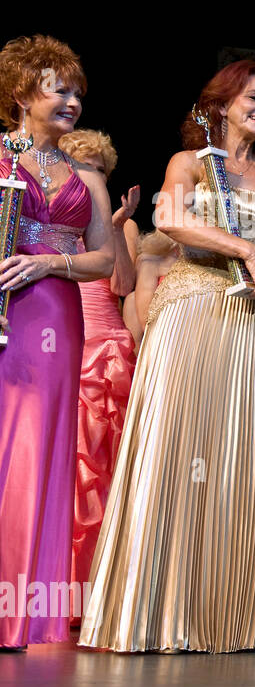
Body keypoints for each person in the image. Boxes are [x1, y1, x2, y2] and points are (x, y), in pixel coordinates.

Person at [79, 59, 255, 653]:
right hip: (192, 313)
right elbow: (171, 219)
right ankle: (155, 611)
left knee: (244, 455)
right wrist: (244, 250)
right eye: (252, 98)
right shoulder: (190, 164)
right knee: (179, 449)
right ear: (223, 103)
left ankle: (227, 615)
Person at [0, 35, 115, 650]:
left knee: (37, 448)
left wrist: (48, 265)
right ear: (21, 94)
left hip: (56, 314)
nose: (71, 101)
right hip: (3, 308)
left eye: (77, 92)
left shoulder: (83, 174)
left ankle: (19, 613)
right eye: (58, 89)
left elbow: (106, 260)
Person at [57, 129, 142, 594]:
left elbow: (124, 285)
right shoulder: (55, 219)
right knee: (64, 467)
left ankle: (95, 588)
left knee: (100, 471)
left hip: (105, 350)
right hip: (64, 342)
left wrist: (115, 224)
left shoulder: (121, 224)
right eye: (81, 165)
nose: (91, 174)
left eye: (99, 169)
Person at [124, 230, 180, 346]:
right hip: (166, 340)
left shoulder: (213, 261)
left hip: (206, 330)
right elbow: (147, 321)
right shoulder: (151, 261)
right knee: (131, 301)